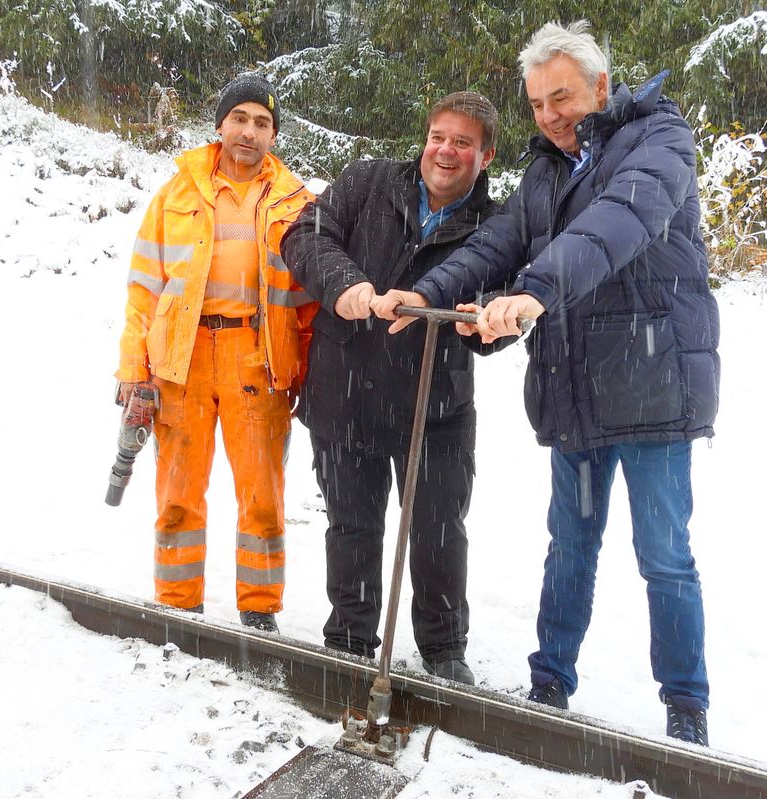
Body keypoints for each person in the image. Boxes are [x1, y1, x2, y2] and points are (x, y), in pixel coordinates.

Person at [374, 21, 720, 744]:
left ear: (600, 85)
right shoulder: (543, 171)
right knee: (569, 543)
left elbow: (615, 225)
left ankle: (686, 709)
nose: (550, 115)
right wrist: (429, 292)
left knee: (663, 554)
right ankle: (549, 683)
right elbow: (496, 242)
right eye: (535, 104)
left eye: (561, 97)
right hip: (576, 391)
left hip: (653, 387)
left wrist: (532, 290)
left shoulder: (658, 144)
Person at [281, 92, 504, 684]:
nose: (446, 151)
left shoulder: (496, 224)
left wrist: (480, 318)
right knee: (352, 523)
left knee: (436, 528)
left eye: (463, 142)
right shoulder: (369, 181)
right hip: (346, 390)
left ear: (486, 155)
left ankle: (443, 650)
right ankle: (351, 639)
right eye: (438, 136)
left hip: (436, 406)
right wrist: (344, 285)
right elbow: (304, 238)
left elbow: (499, 310)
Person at [114, 73, 316, 633]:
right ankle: (179, 604)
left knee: (263, 494)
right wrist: (135, 364)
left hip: (258, 356)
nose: (250, 132)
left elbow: (307, 302)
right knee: (178, 489)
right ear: (221, 124)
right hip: (182, 357)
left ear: (274, 134)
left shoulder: (296, 200)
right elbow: (143, 288)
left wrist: (305, 369)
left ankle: (259, 609)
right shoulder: (176, 193)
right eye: (241, 119)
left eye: (263, 123)